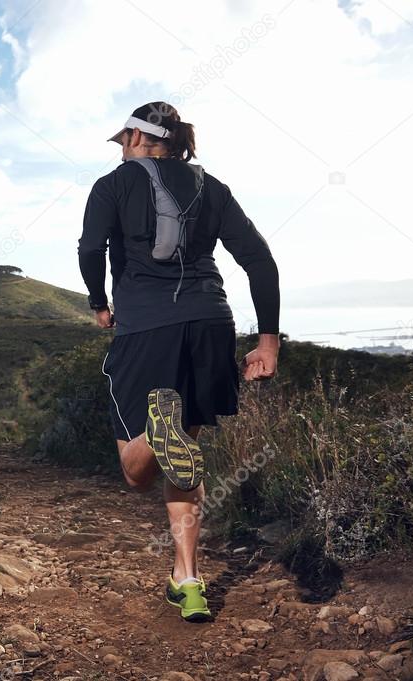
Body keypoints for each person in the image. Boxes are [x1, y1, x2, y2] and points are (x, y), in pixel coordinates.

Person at [78, 101, 280, 622]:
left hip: (147, 328)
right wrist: (268, 342)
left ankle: (154, 429)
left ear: (140, 138)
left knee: (136, 471)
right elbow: (259, 260)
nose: (120, 148)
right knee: (182, 455)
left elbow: (90, 248)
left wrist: (100, 303)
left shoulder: (113, 185)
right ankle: (187, 580)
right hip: (211, 325)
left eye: (123, 139)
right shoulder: (212, 187)